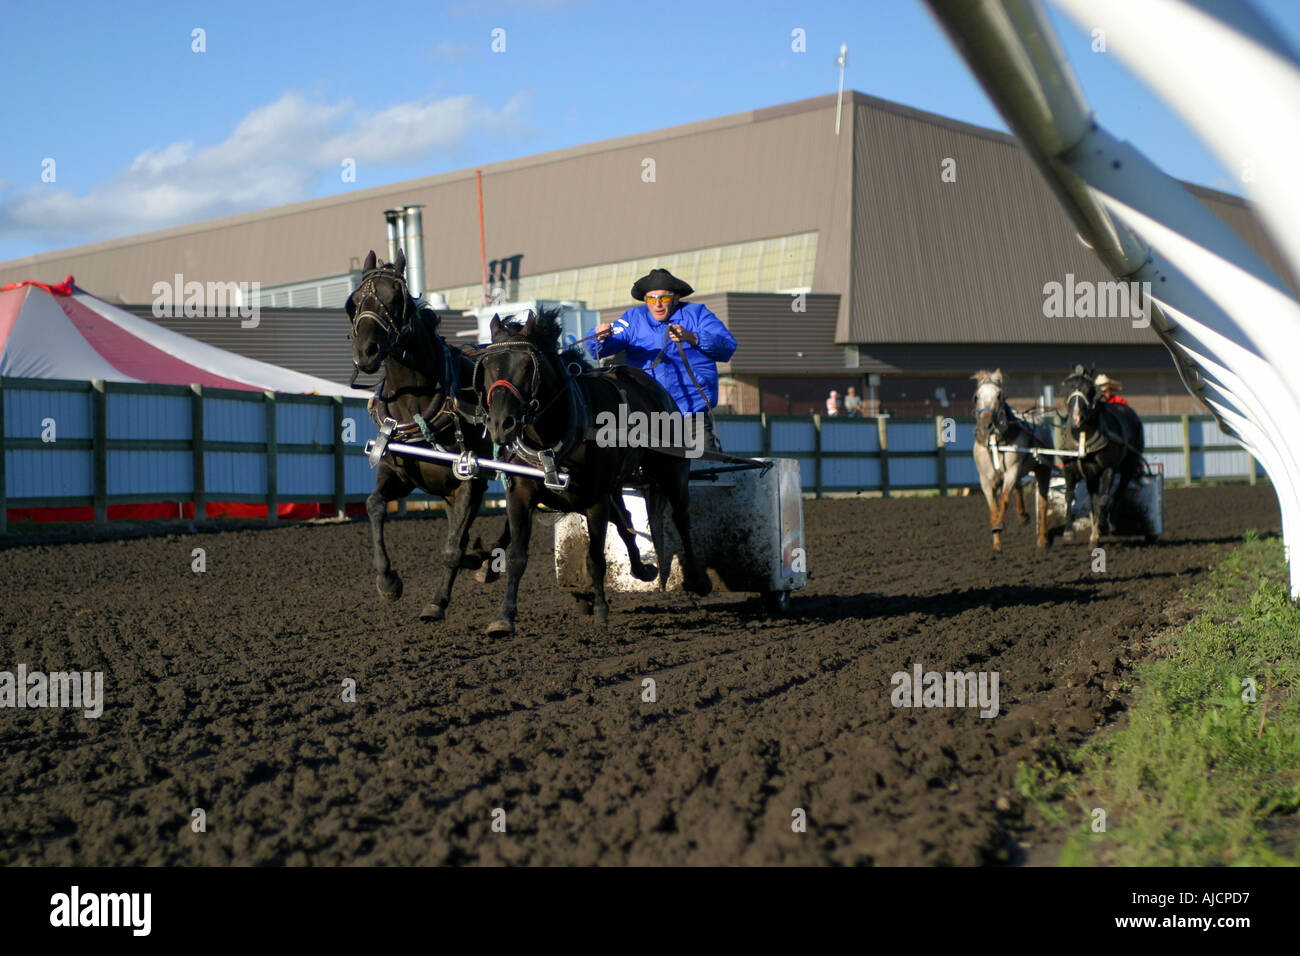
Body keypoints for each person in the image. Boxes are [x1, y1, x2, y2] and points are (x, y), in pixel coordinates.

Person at [593, 268, 736, 452]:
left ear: (676, 298)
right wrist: (599, 337)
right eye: (652, 299)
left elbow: (727, 346)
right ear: (645, 300)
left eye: (664, 298)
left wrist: (693, 337)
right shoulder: (633, 319)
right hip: (647, 416)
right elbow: (600, 349)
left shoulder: (698, 314)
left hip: (691, 415)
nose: (658, 304)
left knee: (706, 471)